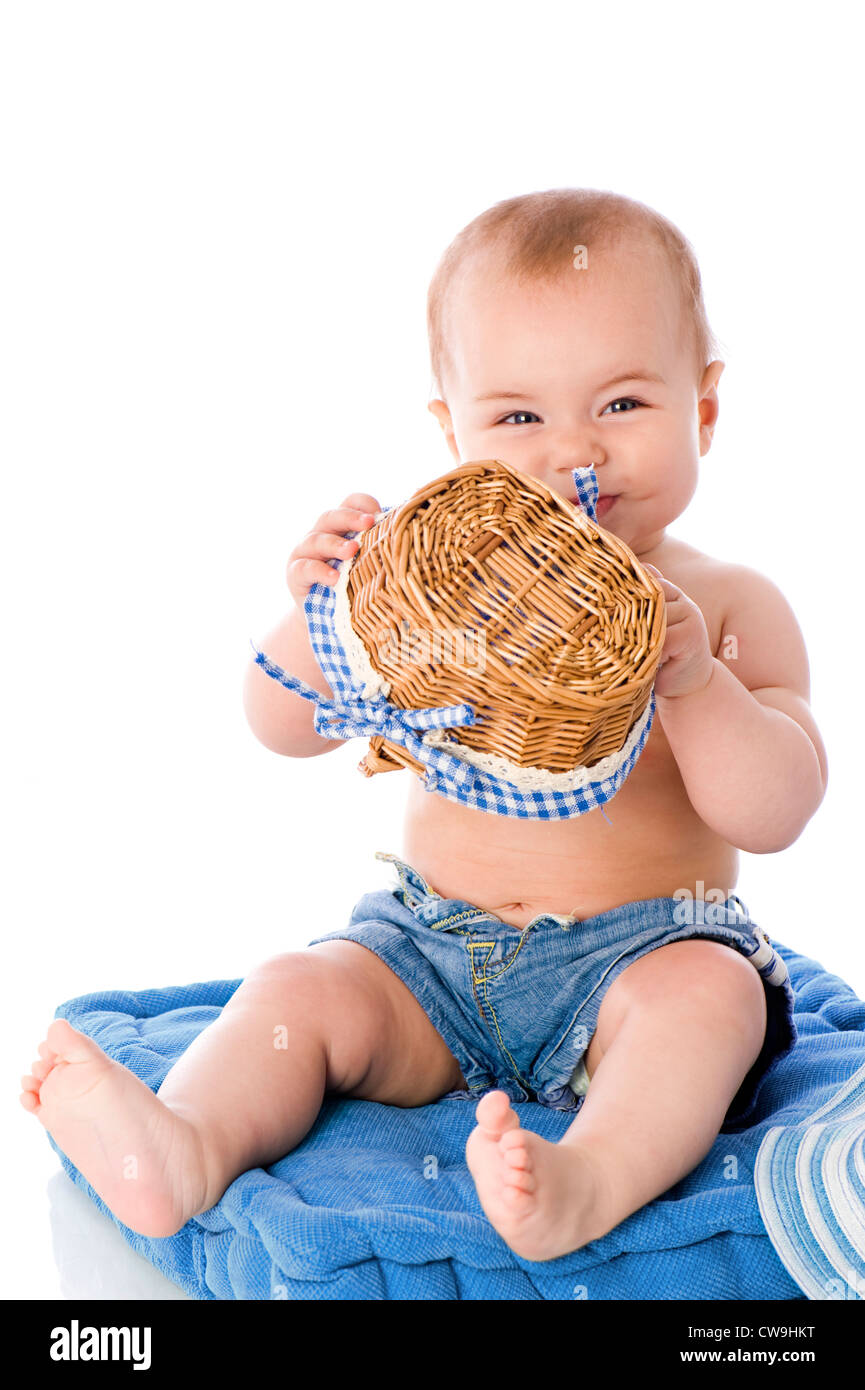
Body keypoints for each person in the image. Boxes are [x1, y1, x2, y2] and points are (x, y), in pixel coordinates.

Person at [21, 189, 827, 1262]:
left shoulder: (725, 606)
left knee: (712, 1001)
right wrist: (320, 616)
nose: (569, 453)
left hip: (638, 959)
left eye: (624, 405)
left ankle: (587, 1180)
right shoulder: (435, 595)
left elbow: (776, 809)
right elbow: (283, 724)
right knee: (298, 989)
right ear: (452, 435)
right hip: (429, 948)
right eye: (517, 418)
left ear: (704, 410)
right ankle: (186, 1144)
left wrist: (692, 684)